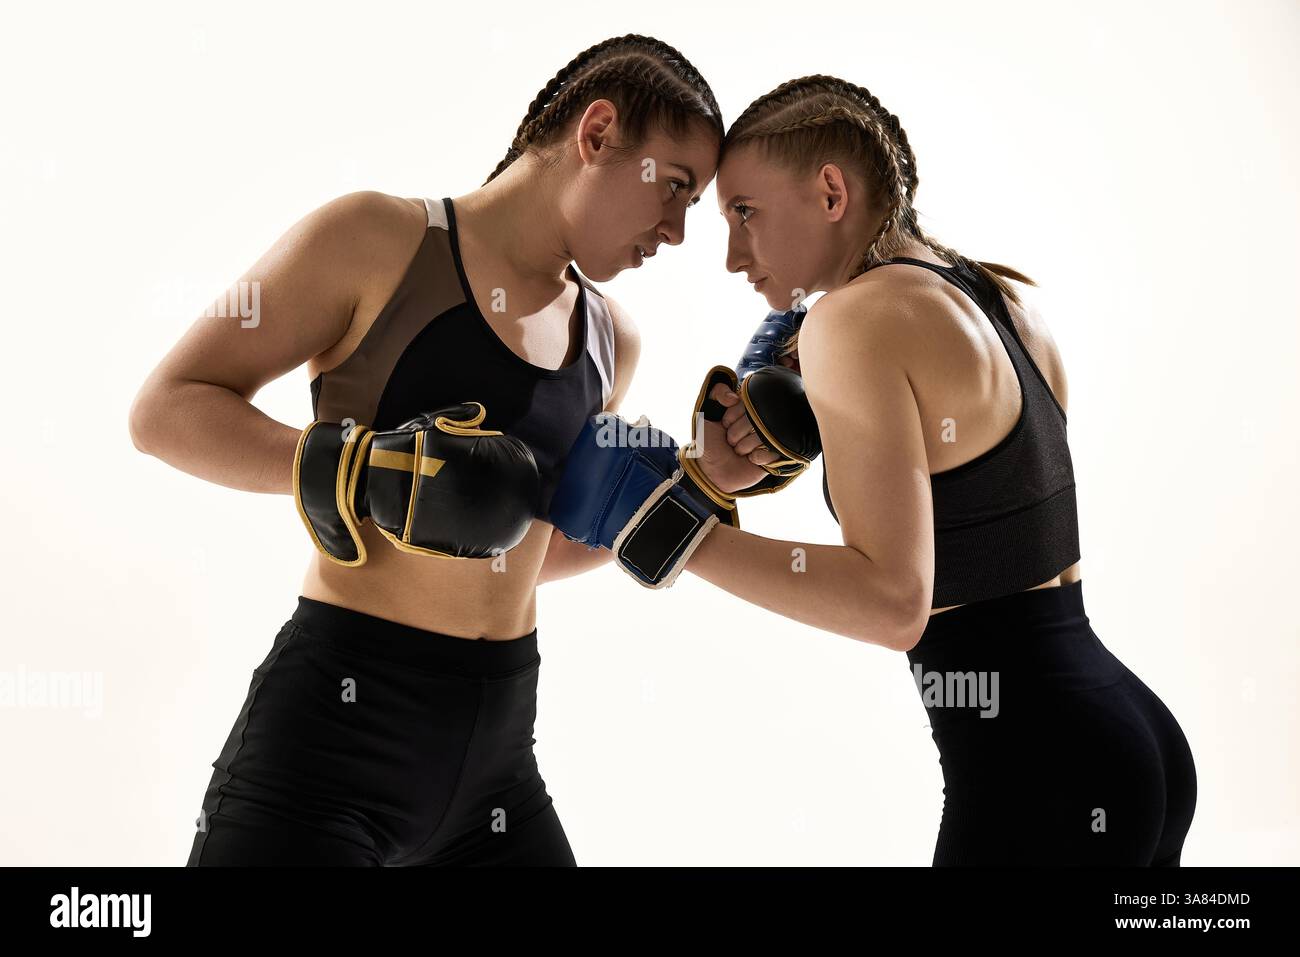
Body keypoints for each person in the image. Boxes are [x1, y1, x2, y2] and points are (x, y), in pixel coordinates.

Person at [550, 75, 1198, 866]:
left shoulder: (852, 320)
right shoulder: (1002, 297)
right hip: (1123, 733)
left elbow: (893, 603)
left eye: (744, 212)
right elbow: (999, 519)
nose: (730, 256)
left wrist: (658, 524)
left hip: (1036, 773)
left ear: (830, 193)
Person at [127, 34, 723, 866]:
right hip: (330, 747)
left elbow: (518, 548)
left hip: (496, 766)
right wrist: (351, 469)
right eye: (678, 187)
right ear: (596, 135)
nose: (679, 230)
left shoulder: (609, 339)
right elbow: (165, 410)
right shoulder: (376, 240)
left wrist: (695, 489)